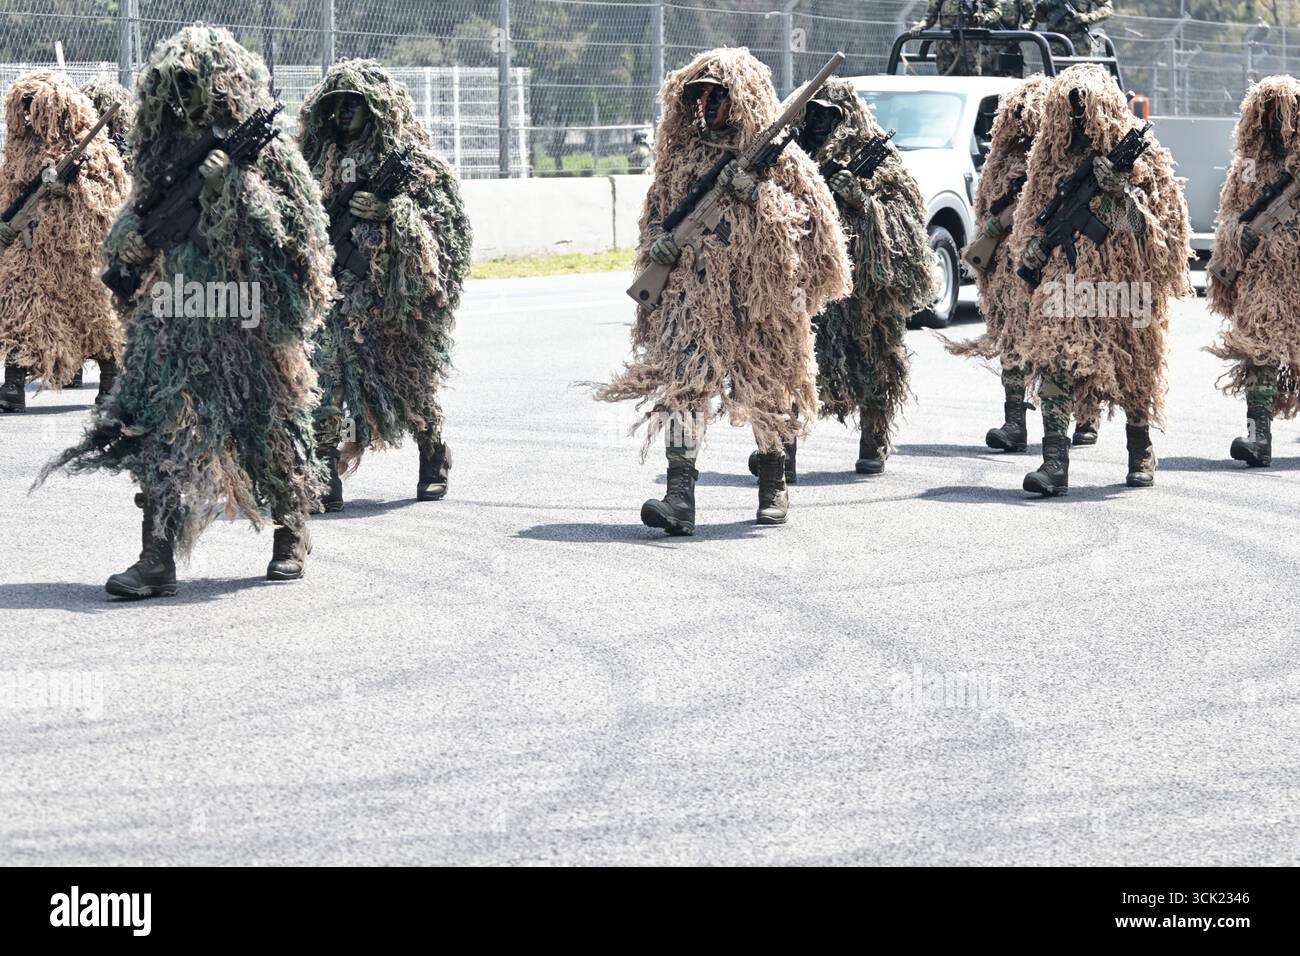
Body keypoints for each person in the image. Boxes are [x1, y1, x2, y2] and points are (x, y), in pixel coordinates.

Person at [39, 24, 335, 597]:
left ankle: (290, 531)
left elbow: (300, 242)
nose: (185, 96)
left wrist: (237, 189)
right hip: (173, 315)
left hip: (245, 319)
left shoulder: (267, 150)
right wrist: (126, 241)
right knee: (160, 429)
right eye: (174, 83)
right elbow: (140, 208)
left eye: (194, 82)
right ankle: (156, 557)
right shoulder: (165, 148)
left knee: (268, 430)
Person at [595, 48, 850, 534]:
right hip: (695, 300)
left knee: (768, 390)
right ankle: (678, 496)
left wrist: (758, 195)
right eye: (700, 94)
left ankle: (773, 482)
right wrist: (660, 248)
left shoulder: (784, 162)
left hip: (761, 303)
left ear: (743, 98)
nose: (707, 104)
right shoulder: (681, 159)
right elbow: (657, 216)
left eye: (718, 94)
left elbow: (820, 236)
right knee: (685, 387)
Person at [1005, 65, 1190, 496]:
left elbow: (1166, 238)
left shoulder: (1147, 163)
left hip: (1125, 286)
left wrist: (1125, 193)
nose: (1076, 121)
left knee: (1135, 367)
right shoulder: (1047, 165)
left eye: (1084, 112)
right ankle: (1053, 463)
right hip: (1063, 286)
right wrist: (1030, 250)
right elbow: (1029, 222)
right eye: (1068, 113)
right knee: (1053, 360)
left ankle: (1140, 450)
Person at [299, 59, 471, 511]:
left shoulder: (410, 162)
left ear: (375, 108)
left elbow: (445, 223)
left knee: (408, 380)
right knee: (326, 378)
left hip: (391, 296)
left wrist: (391, 211)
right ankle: (323, 471)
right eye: (337, 105)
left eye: (354, 104)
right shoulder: (317, 161)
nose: (344, 113)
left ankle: (433, 454)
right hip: (335, 294)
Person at [763, 78, 931, 478]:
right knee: (792, 362)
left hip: (863, 285)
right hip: (806, 278)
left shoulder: (877, 157)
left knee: (875, 361)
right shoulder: (790, 155)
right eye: (814, 113)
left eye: (830, 114)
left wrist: (860, 200)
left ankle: (874, 440)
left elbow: (907, 223)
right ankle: (781, 453)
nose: (821, 121)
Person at [945, 75, 1100, 450]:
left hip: (1056, 264)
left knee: (1072, 340)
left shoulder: (1053, 160)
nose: (1019, 123)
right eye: (1013, 116)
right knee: (1013, 341)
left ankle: (1085, 418)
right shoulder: (1001, 161)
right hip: (1007, 268)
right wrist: (994, 230)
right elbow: (987, 208)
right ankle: (1015, 421)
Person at [0, 71, 128, 412]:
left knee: (96, 312)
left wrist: (73, 187)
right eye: (24, 108)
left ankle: (111, 379)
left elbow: (110, 198)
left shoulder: (90, 147)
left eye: (36, 107)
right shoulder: (19, 147)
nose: (29, 116)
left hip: (80, 251)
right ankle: (13, 383)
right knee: (18, 303)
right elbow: (10, 191)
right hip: (27, 250)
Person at [1207, 76, 1300, 468]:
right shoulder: (1247, 165)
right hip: (1262, 279)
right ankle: (1258, 434)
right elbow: (1230, 211)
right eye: (1267, 114)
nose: (1275, 123)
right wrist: (1238, 236)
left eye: (1284, 114)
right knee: (1258, 351)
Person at [914, 0, 1005, 76]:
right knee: (945, 82)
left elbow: (997, 9)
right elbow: (931, 13)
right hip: (946, 45)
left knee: (970, 81)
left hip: (970, 45)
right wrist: (922, 25)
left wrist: (984, 18)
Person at [1032, 0, 1113, 58]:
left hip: (1079, 44)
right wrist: (1042, 8)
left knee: (1080, 76)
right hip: (1054, 43)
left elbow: (1107, 9)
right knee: (1054, 77)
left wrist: (1089, 17)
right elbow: (1039, 17)